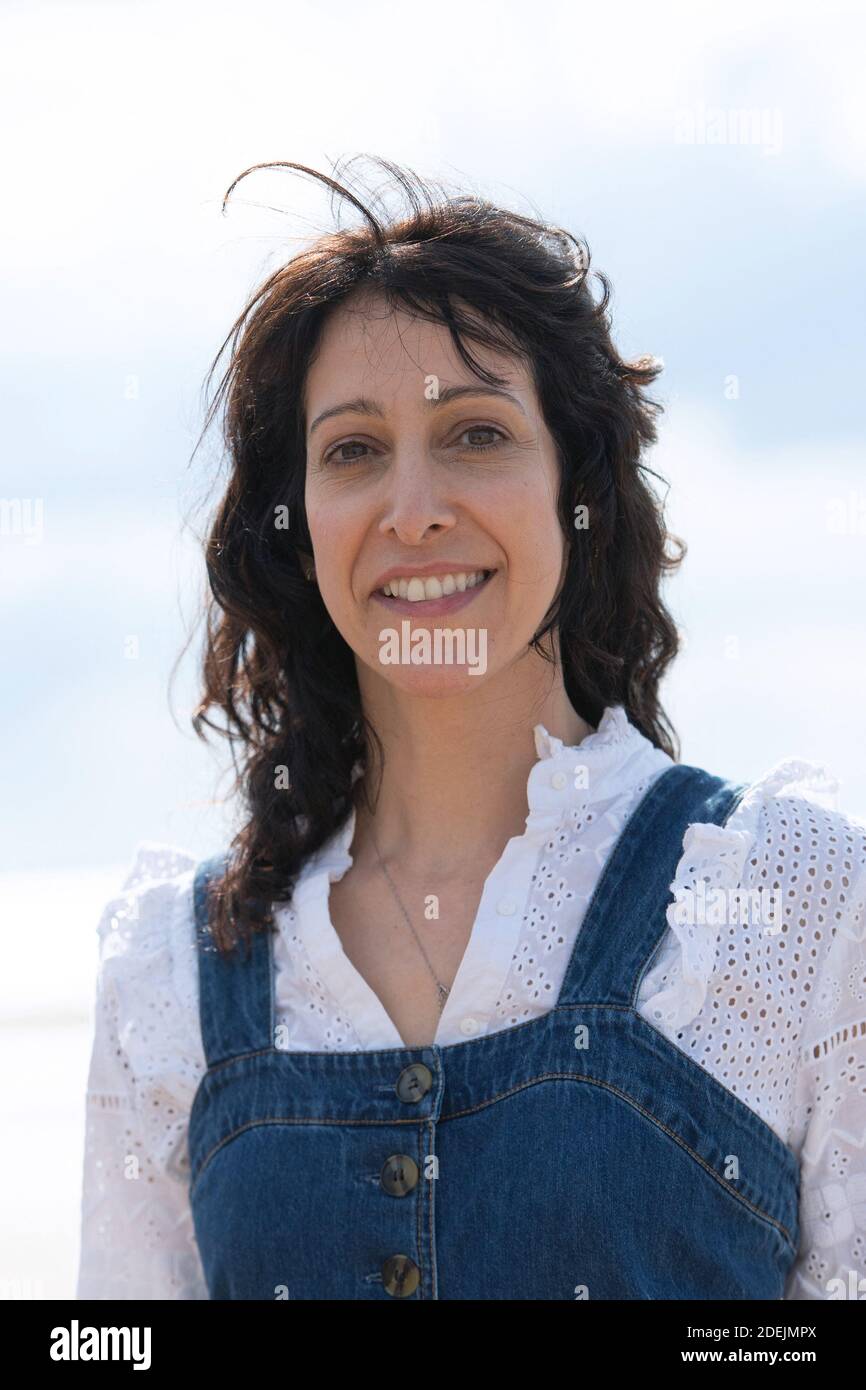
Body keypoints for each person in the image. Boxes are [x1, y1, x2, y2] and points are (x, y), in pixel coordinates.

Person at [75, 159, 866, 1301]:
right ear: (299, 528)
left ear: (575, 491)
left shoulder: (792, 896)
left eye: (477, 434)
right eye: (352, 449)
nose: (412, 508)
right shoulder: (169, 972)